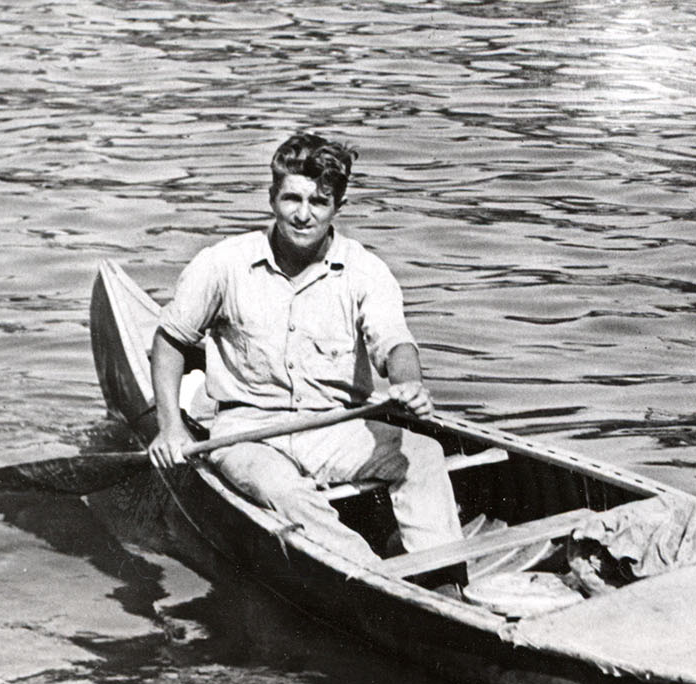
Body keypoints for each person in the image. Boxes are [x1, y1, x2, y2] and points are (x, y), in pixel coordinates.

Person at [146, 132, 463, 564]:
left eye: (319, 202)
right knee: (286, 493)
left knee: (424, 455)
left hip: (333, 425)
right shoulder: (223, 263)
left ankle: (440, 578)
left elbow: (394, 342)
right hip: (246, 432)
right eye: (292, 199)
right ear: (271, 196)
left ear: (337, 208)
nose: (303, 215)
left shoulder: (365, 270)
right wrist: (170, 428)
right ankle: (373, 579)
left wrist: (411, 385)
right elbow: (169, 342)